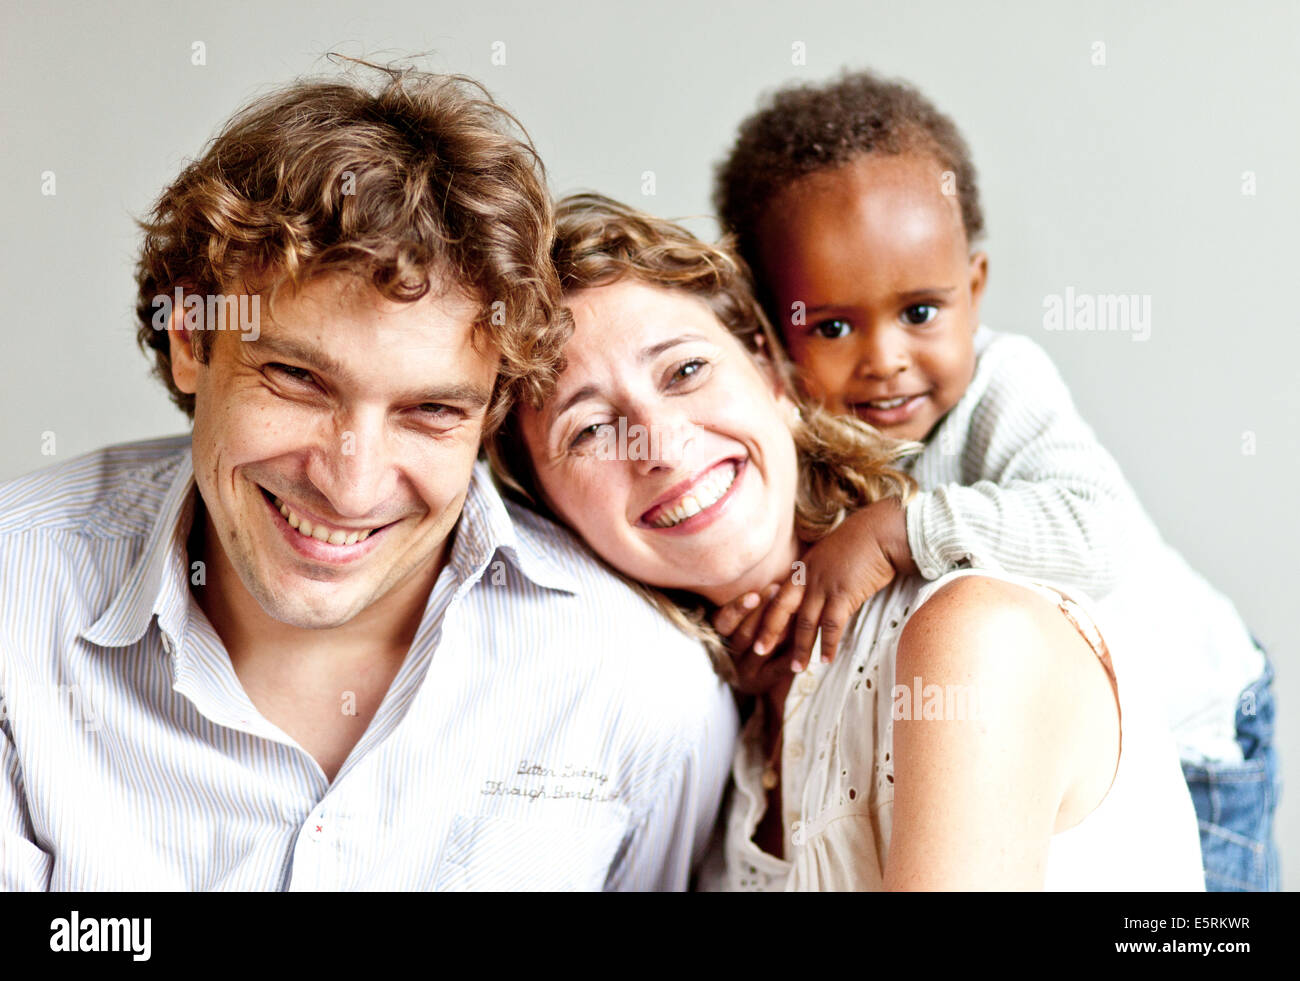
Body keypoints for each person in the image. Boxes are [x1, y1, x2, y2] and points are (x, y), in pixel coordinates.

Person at [0, 66, 736, 891]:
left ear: (489, 415)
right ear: (190, 340)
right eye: (298, 378)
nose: (349, 485)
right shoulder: (14, 605)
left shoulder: (640, 689)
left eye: (430, 409)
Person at [487, 192, 1205, 890]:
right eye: (587, 429)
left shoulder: (969, 636)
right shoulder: (719, 752)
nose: (663, 446)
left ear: (770, 370)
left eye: (685, 370)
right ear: (548, 510)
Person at [709, 70, 1279, 891]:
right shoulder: (799, 435)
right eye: (833, 325)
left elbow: (1095, 532)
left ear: (973, 289)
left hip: (1197, 728)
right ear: (766, 326)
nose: (886, 359)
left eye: (921, 312)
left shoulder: (1001, 385)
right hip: (1029, 738)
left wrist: (897, 532)